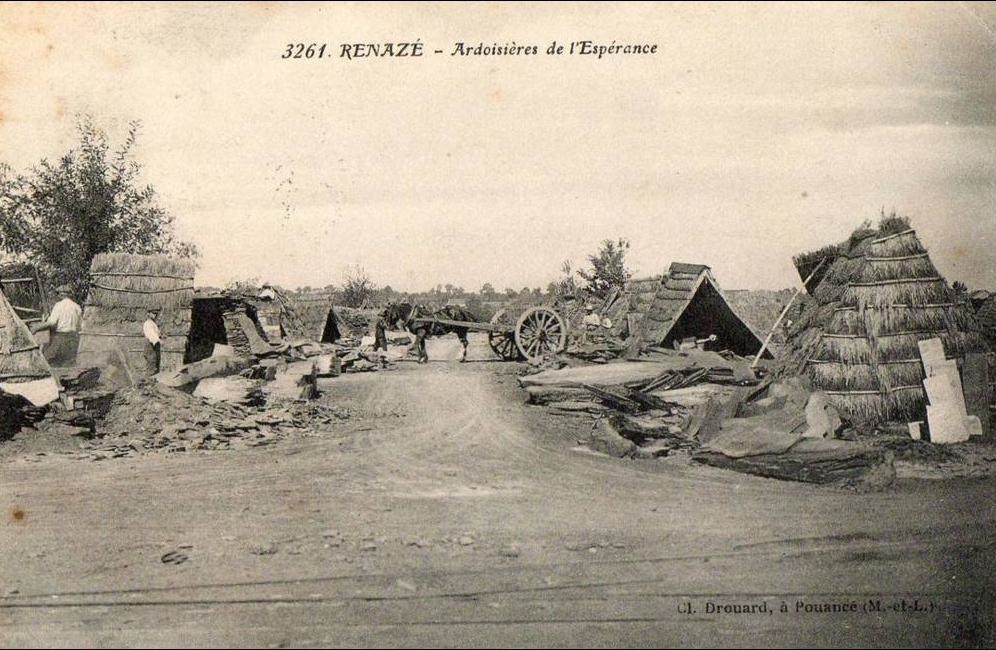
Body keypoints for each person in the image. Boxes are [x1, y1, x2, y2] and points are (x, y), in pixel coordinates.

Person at [31, 284, 82, 367]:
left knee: (47, 361)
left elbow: (52, 322)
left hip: (61, 337)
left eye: (58, 294)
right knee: (69, 363)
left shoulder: (59, 305)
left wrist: (37, 327)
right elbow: (80, 326)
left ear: (61, 294)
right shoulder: (77, 307)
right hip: (73, 339)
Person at [142, 308, 163, 375]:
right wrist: (158, 340)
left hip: (155, 345)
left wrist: (160, 336)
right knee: (151, 363)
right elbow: (152, 335)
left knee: (156, 363)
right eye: (153, 313)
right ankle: (149, 379)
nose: (155, 315)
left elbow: (156, 333)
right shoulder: (148, 323)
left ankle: (154, 379)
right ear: (148, 314)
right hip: (151, 345)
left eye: (156, 313)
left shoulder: (153, 323)